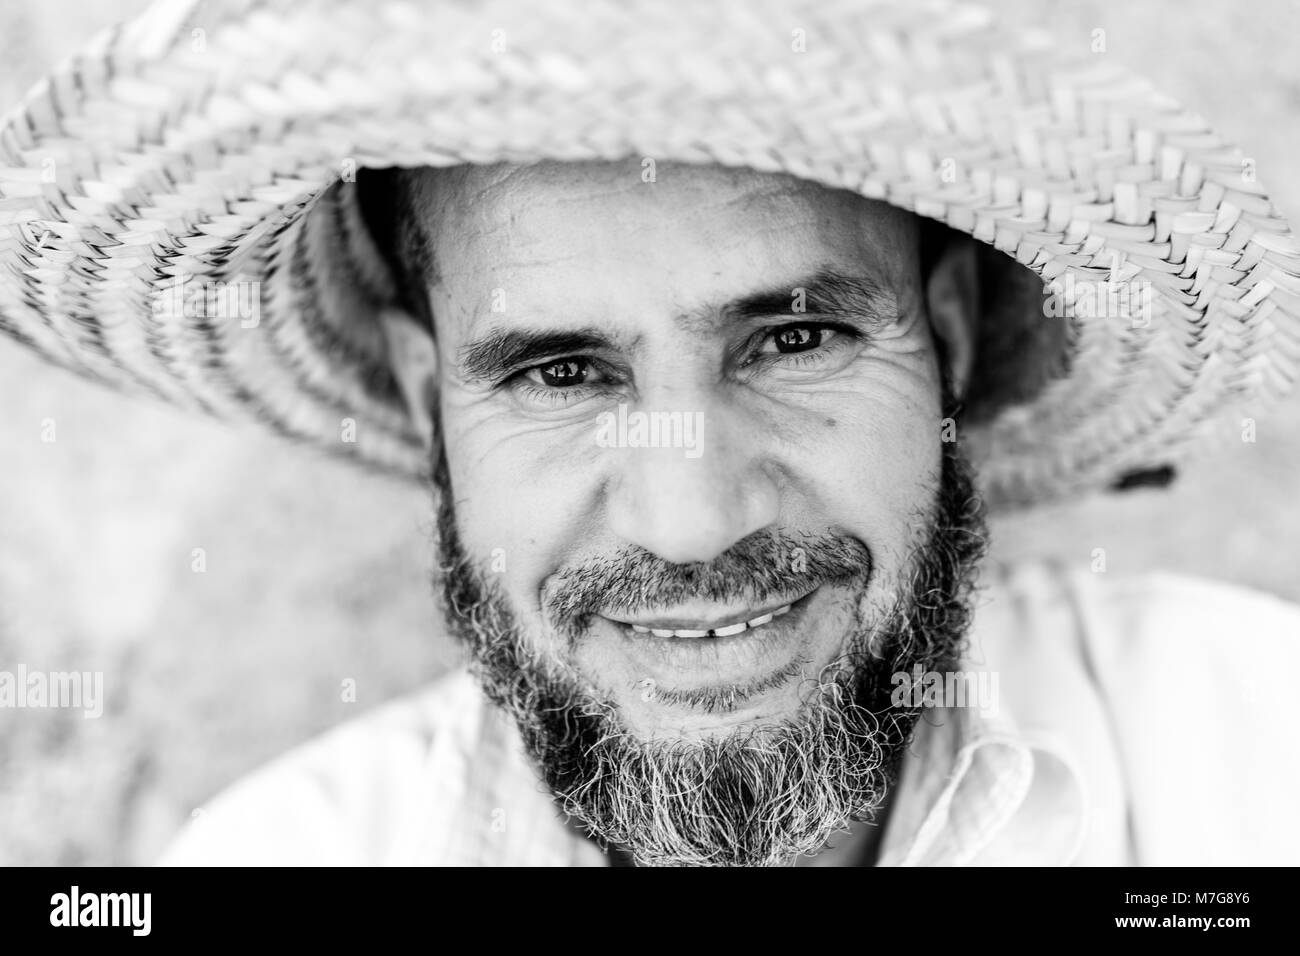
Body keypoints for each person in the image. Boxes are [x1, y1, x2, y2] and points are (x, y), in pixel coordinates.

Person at [2, 0, 1297, 866]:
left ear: (947, 338)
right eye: (561, 372)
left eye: (794, 340)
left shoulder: (1253, 751)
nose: (695, 519)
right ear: (424, 404)